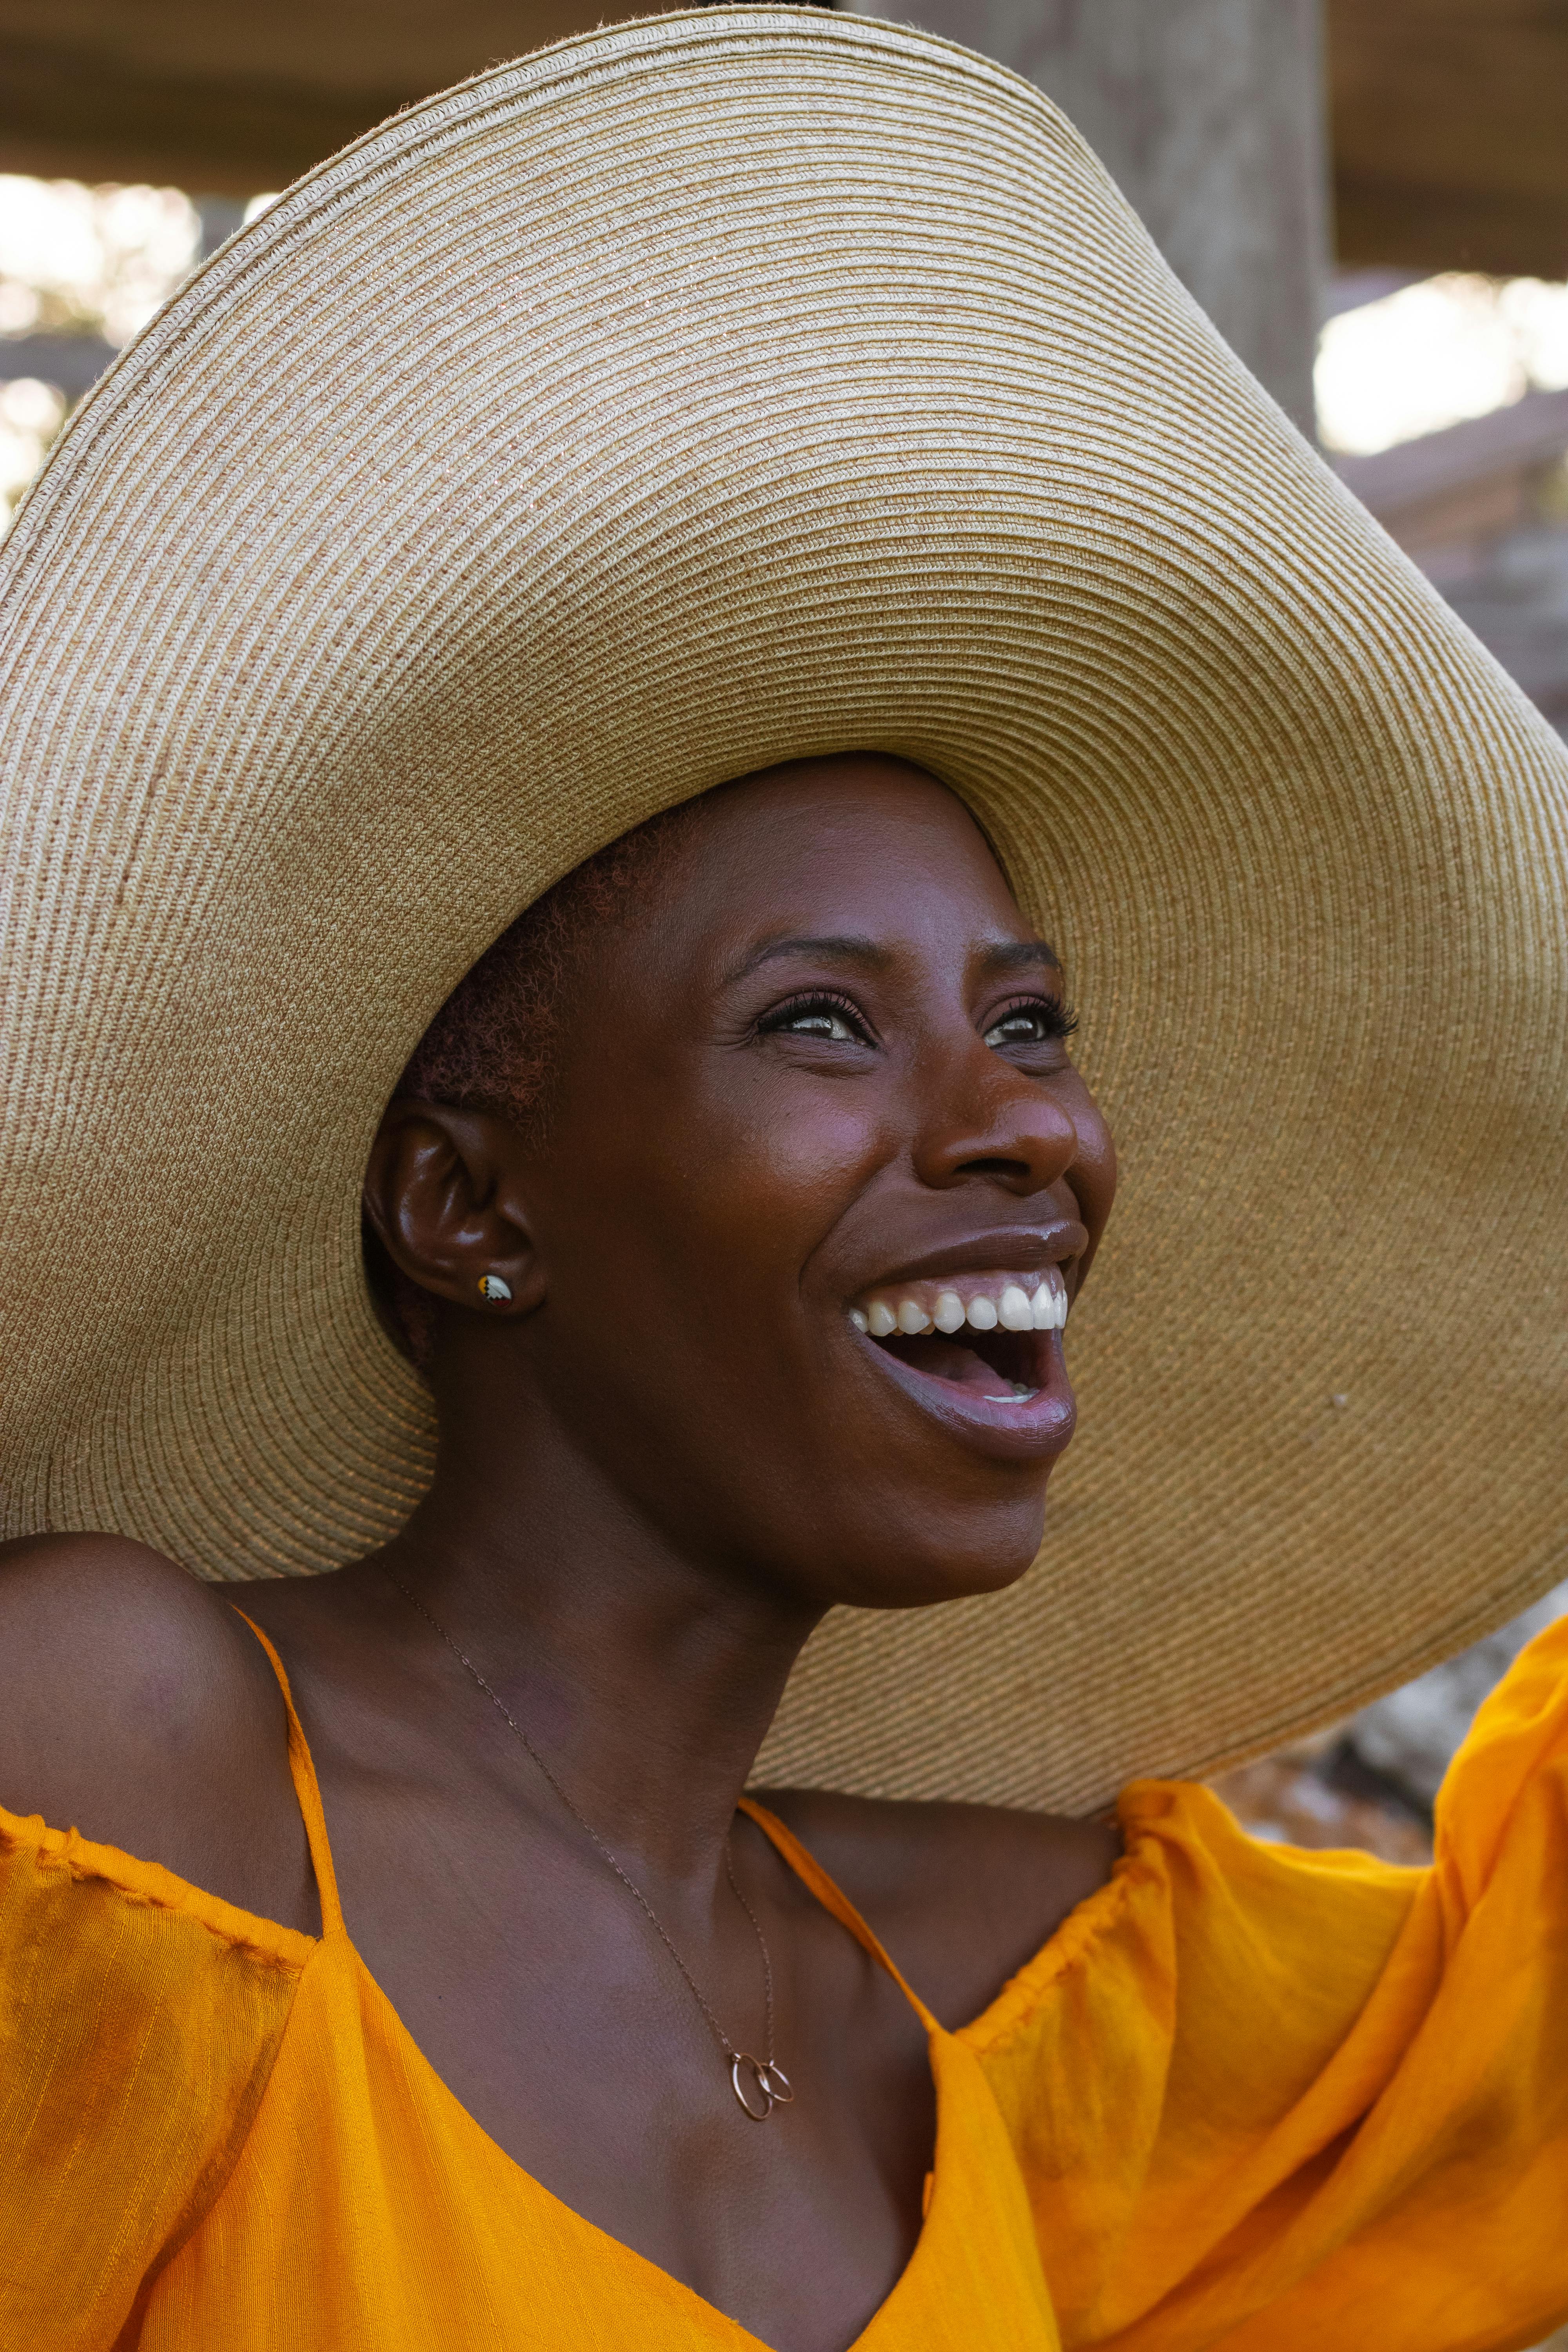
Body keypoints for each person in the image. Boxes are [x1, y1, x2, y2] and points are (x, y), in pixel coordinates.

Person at [1, 12, 1565, 2350]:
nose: (1031, 1125)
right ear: (466, 1209)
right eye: (820, 1022)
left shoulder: (985, 2002)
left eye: (1033, 1029)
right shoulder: (131, 1756)